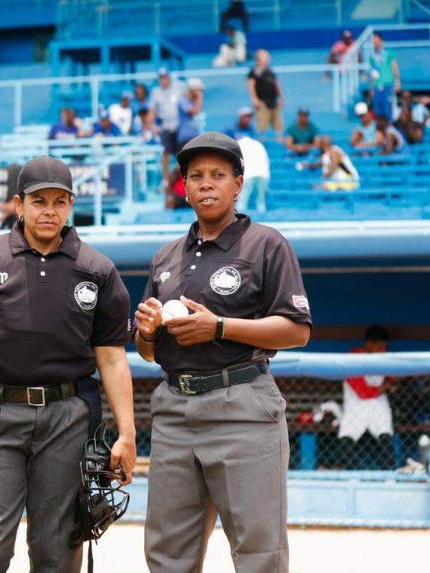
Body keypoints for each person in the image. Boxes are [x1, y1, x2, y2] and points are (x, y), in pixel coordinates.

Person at [0, 155, 136, 572]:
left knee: (57, 549)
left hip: (69, 416)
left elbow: (113, 358)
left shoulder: (97, 270)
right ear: (19, 204)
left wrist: (127, 432)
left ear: (70, 205)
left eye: (60, 201)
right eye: (39, 201)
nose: (50, 211)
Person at [135, 131, 311, 573]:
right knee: (167, 553)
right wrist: (148, 330)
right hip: (175, 408)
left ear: (238, 184)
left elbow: (296, 330)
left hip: (242, 404)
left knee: (258, 551)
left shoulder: (266, 243)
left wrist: (218, 327)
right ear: (185, 187)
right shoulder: (166, 256)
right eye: (196, 176)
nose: (206, 184)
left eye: (218, 175)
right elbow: (147, 353)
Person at [338, 326, 396, 470]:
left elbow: (392, 379)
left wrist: (389, 384)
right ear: (369, 344)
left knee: (385, 434)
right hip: (355, 406)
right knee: (347, 437)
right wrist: (385, 388)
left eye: (384, 347)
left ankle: (388, 476)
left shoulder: (384, 359)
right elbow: (362, 392)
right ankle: (352, 474)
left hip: (378, 405)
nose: (383, 350)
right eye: (380, 346)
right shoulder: (354, 357)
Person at [149, 68, 187, 187]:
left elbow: (190, 97)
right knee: (165, 153)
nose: (163, 80)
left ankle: (182, 177)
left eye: (165, 77)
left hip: (181, 126)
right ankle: (166, 179)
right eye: (161, 78)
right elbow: (152, 110)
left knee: (183, 153)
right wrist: (151, 125)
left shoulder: (179, 86)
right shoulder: (156, 91)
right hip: (166, 126)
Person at [248, 49, 284, 135]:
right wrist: (254, 99)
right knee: (262, 127)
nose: (267, 60)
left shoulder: (270, 71)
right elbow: (251, 85)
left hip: (274, 101)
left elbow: (276, 84)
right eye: (265, 58)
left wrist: (281, 97)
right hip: (262, 103)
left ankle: (279, 141)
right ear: (258, 59)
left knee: (278, 126)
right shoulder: (254, 72)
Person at [368, 32, 400, 121]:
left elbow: (395, 67)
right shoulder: (372, 57)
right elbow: (372, 72)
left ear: (382, 42)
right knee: (378, 110)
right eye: (374, 42)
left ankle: (389, 129)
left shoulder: (389, 54)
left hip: (388, 85)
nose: (376, 44)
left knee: (388, 109)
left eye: (377, 42)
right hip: (377, 86)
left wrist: (397, 81)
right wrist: (371, 88)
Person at [237, 135, 270, 213]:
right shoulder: (258, 144)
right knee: (261, 199)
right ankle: (262, 212)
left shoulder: (239, 144)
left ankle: (239, 214)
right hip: (263, 173)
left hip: (249, 173)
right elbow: (267, 160)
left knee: (243, 198)